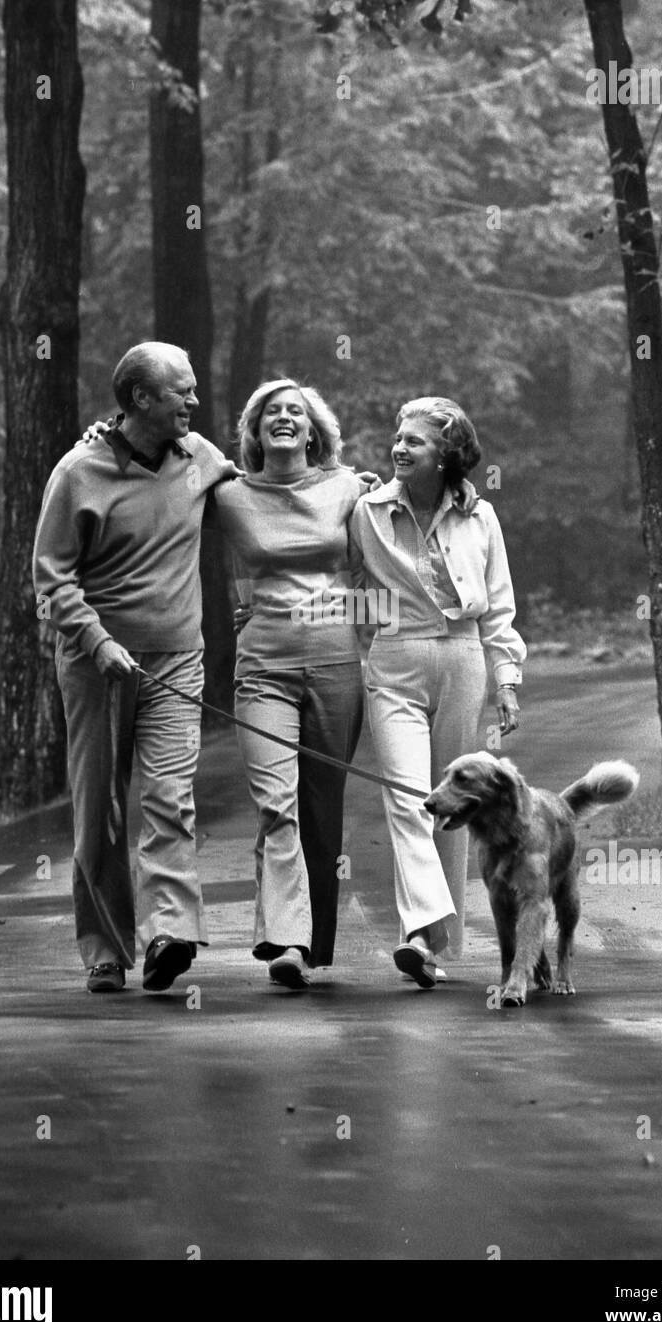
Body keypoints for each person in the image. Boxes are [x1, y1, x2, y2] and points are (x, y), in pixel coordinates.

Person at [32, 342, 239, 994]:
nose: (194, 401)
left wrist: (350, 492)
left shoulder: (199, 458)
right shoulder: (78, 472)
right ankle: (105, 947)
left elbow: (265, 499)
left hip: (177, 660)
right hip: (99, 666)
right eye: (182, 389)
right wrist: (96, 641)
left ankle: (171, 933)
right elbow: (51, 576)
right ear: (140, 400)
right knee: (100, 812)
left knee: (170, 799)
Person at [348, 396, 526, 988]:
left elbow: (498, 606)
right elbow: (341, 577)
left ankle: (436, 941)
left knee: (451, 803)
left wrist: (507, 681)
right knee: (405, 794)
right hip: (394, 658)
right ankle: (422, 930)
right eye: (397, 436)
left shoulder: (481, 517)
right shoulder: (367, 510)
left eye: (414, 441)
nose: (399, 446)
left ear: (447, 456)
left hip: (462, 657)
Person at [209, 380, 369, 989]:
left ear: (312, 430)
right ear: (254, 431)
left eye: (294, 412)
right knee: (277, 803)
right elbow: (158, 486)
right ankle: (287, 941)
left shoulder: (350, 487)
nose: (283, 418)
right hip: (263, 669)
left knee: (322, 807)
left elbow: (402, 521)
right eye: (270, 412)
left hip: (335, 663)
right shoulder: (226, 495)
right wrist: (106, 437)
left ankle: (312, 942)